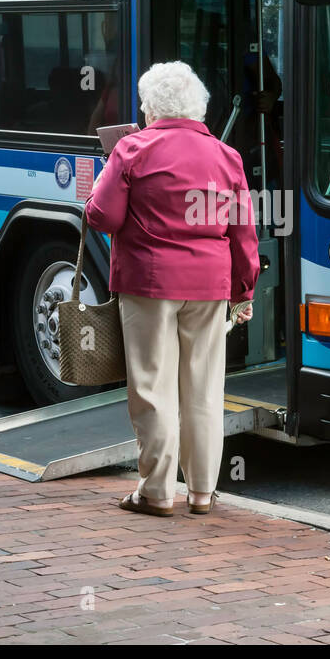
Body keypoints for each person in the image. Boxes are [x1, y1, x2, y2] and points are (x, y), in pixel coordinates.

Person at [85, 61, 259, 517]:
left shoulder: (131, 150)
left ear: (152, 108)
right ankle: (202, 493)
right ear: (197, 107)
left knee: (154, 386)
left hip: (149, 283)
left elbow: (102, 218)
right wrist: (244, 289)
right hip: (210, 284)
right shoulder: (227, 156)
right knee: (203, 388)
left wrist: (104, 177)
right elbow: (243, 232)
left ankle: (157, 492)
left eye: (143, 104)